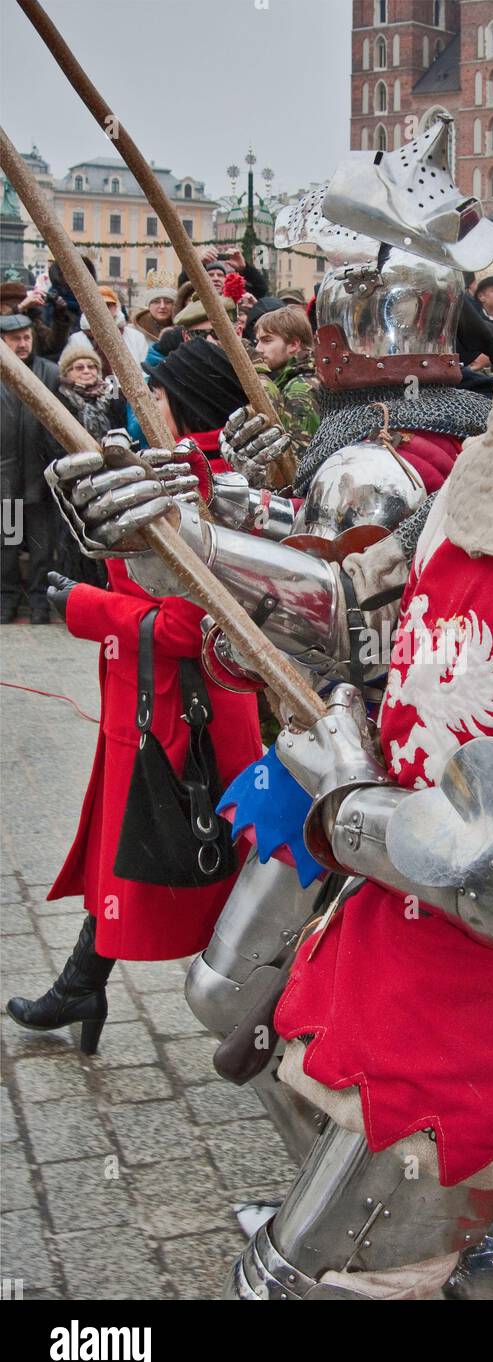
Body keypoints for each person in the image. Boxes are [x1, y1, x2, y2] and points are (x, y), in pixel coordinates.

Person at [45, 154, 493, 1302]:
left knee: (306, 1281)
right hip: (417, 920)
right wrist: (175, 544)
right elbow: (364, 614)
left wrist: (344, 804)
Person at [5, 341, 263, 1054]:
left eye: (156, 388)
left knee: (176, 858)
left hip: (179, 711)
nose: (144, 398)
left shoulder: (197, 483)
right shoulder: (181, 467)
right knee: (138, 853)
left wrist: (86, 607)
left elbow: (189, 622)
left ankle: (281, 1004)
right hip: (153, 702)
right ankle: (81, 984)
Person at [0, 313, 60, 624]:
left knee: (41, 547)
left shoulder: (49, 372)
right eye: (15, 339)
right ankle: (7, 599)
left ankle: (39, 602)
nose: (23, 344)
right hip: (6, 481)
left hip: (40, 477)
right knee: (7, 545)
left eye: (26, 337)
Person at [252, 305, 320, 455]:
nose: (258, 349)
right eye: (257, 341)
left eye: (267, 340)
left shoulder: (298, 390)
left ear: (293, 345)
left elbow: (300, 461)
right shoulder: (310, 374)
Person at [67, 286, 147, 377]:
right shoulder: (76, 339)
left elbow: (145, 371)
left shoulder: (136, 337)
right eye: (97, 306)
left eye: (108, 305)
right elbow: (67, 370)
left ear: (115, 307)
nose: (103, 310)